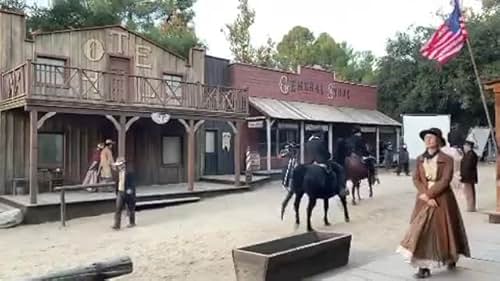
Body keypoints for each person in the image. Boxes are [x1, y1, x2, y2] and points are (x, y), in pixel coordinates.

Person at [397, 128, 470, 279]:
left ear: (438, 140)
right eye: (426, 138)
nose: (428, 140)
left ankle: (451, 256)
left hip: (442, 199)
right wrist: (424, 195)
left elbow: (445, 180)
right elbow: (416, 178)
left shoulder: (447, 159)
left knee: (446, 229)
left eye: (432, 137)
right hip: (423, 199)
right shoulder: (419, 159)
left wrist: (430, 195)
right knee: (421, 231)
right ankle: (423, 267)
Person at [112, 157, 136, 230]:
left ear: (123, 164)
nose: (118, 167)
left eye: (119, 165)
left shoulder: (129, 172)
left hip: (128, 193)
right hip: (120, 191)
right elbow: (117, 182)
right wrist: (117, 191)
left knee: (130, 208)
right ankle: (117, 225)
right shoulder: (117, 172)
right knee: (118, 208)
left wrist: (130, 191)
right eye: (117, 165)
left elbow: (132, 183)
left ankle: (132, 222)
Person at [460, 140, 479, 212]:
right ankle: (471, 206)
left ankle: (470, 207)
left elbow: (467, 166)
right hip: (469, 176)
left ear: (469, 146)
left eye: (465, 146)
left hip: (468, 176)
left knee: (469, 192)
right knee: (470, 191)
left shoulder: (470, 155)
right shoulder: (469, 154)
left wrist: (462, 175)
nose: (464, 147)